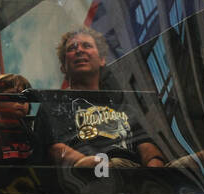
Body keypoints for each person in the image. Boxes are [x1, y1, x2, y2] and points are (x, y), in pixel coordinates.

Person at [51, 30, 166, 173]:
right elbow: (54, 148)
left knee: (197, 161)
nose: (79, 50)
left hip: (136, 174)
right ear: (63, 67)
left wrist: (154, 164)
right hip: (91, 178)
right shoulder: (56, 104)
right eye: (72, 48)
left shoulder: (123, 102)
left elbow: (144, 142)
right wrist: (93, 165)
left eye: (86, 46)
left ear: (102, 60)